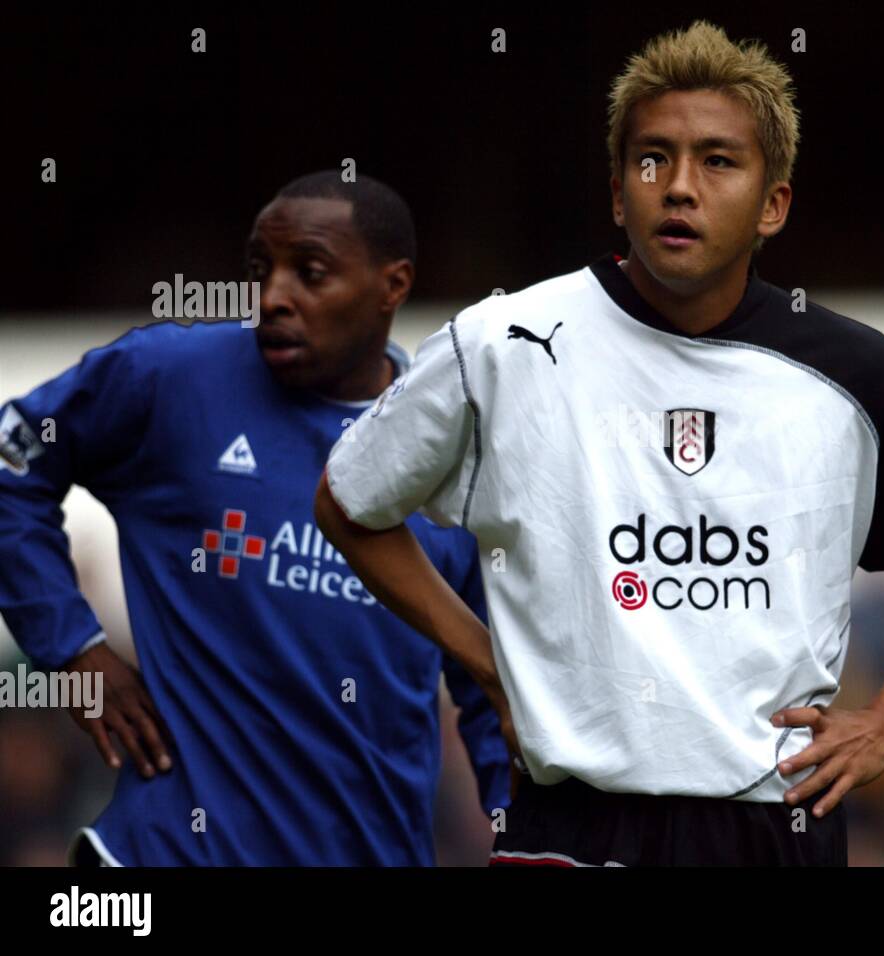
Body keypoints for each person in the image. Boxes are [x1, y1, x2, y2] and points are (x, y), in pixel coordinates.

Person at [316, 21, 884, 866]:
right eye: (653, 159)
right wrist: (486, 661)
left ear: (773, 204)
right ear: (618, 192)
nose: (679, 186)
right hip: (570, 824)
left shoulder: (855, 372)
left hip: (772, 826)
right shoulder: (503, 342)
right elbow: (351, 499)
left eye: (718, 161)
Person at [0, 171, 509, 865]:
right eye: (259, 270)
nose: (273, 298)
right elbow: (13, 465)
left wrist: (519, 833)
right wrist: (73, 648)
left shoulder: (451, 454)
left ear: (393, 286)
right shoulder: (172, 379)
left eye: (311, 273)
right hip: (163, 853)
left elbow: (492, 692)